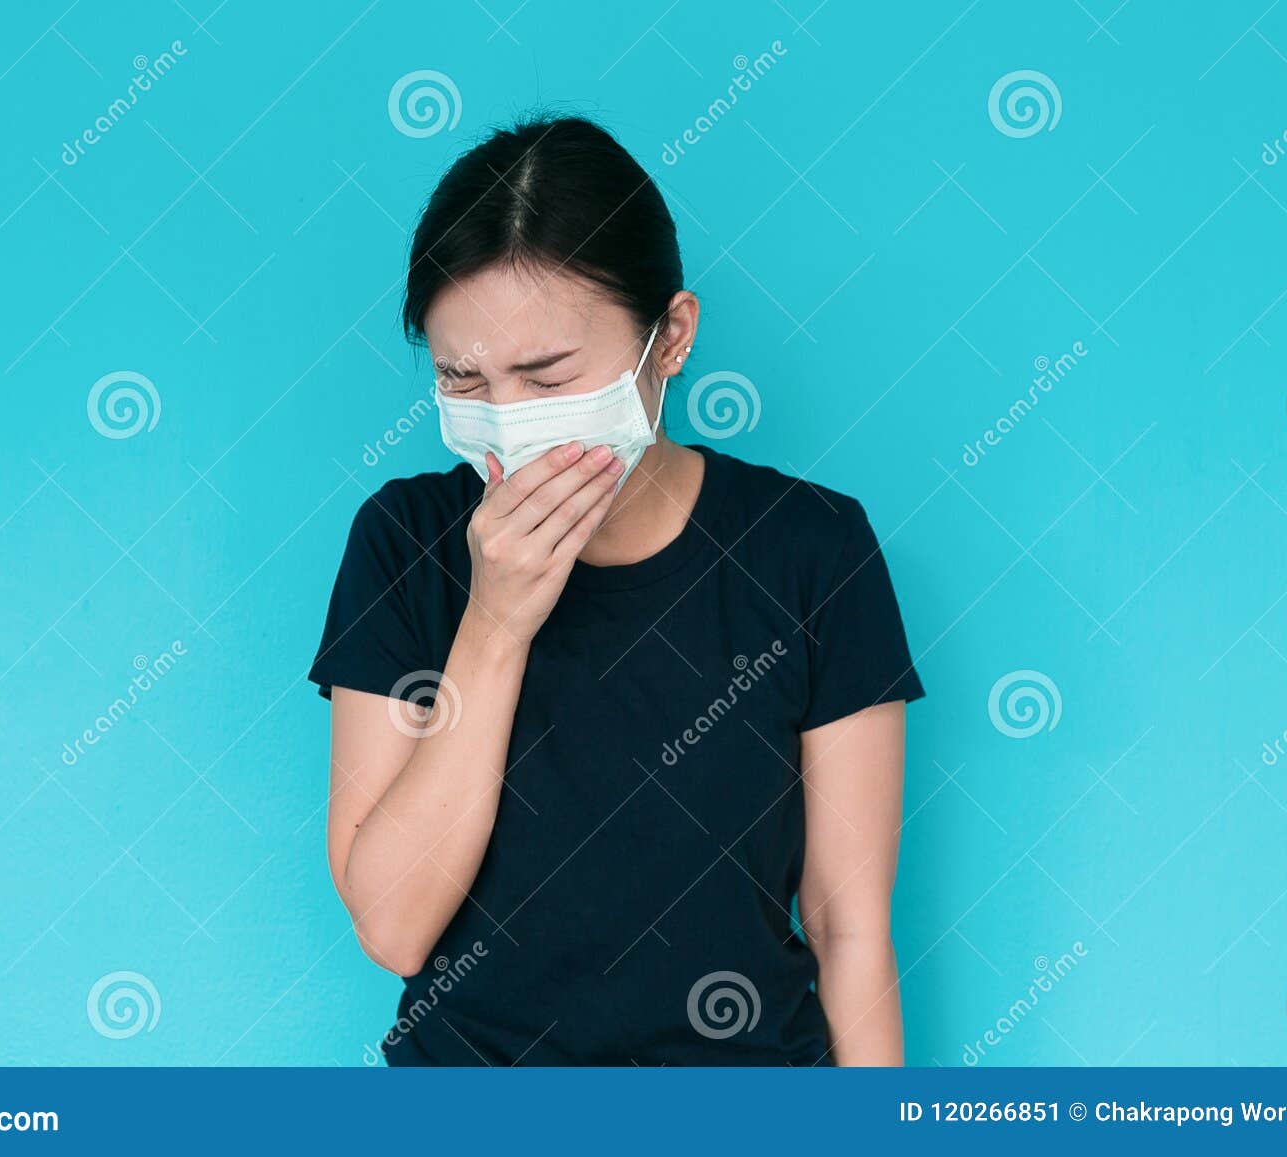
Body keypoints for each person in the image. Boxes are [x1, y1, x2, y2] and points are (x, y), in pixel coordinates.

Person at [310, 115, 924, 1065]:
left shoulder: (812, 549)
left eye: (547, 375)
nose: (507, 424)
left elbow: (849, 929)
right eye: (462, 378)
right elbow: (392, 924)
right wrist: (495, 622)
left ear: (670, 338)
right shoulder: (403, 543)